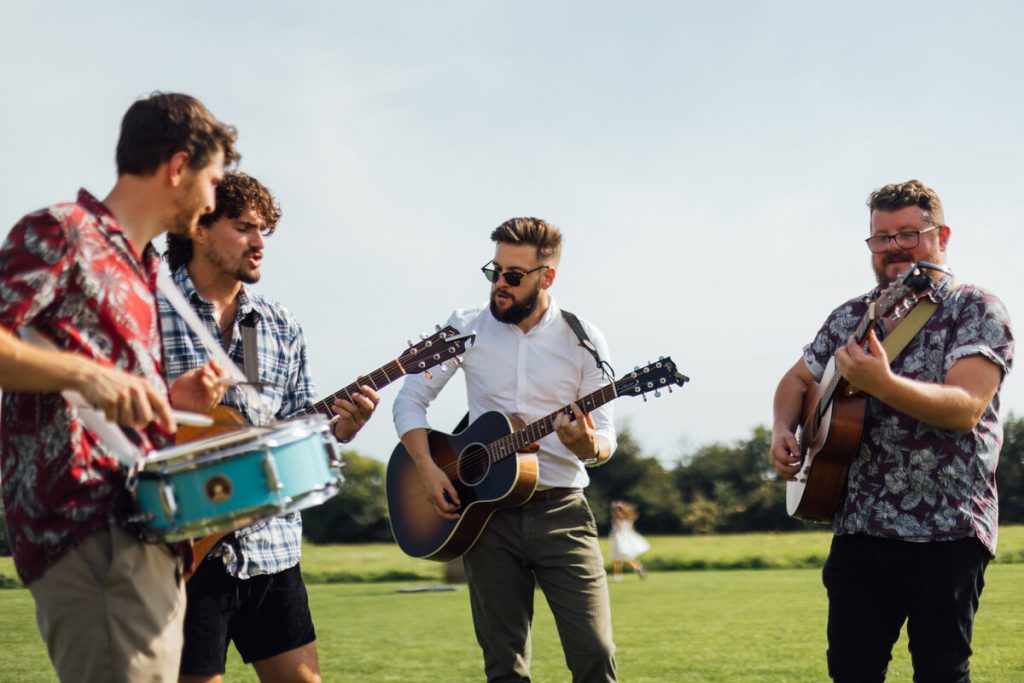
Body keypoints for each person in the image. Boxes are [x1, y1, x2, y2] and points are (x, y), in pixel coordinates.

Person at [0, 92, 237, 682]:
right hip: (89, 526)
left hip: (142, 525)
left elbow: (101, 392)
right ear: (178, 167)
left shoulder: (143, 267)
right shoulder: (62, 232)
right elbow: (75, 372)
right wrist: (89, 374)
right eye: (211, 179)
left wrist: (169, 402)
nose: (211, 200)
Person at [769, 179, 1014, 682]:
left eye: (909, 234)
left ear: (941, 235)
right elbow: (797, 380)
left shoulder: (975, 308)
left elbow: (965, 408)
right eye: (880, 238)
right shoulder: (851, 315)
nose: (893, 248)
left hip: (946, 529)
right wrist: (781, 428)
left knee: (941, 674)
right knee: (851, 672)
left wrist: (880, 383)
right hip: (860, 526)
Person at [159, 171, 379, 683]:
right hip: (181, 554)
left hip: (271, 547)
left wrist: (339, 431)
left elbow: (299, 423)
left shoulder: (281, 325)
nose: (260, 243)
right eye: (244, 228)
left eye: (265, 231)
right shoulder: (149, 313)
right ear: (197, 228)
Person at [393, 217, 618, 682]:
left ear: (546, 277)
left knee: (595, 652)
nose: (500, 284)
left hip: (563, 513)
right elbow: (410, 399)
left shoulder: (584, 337)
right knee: (504, 666)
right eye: (494, 271)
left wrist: (587, 444)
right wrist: (430, 471)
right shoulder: (465, 326)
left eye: (513, 276)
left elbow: (606, 441)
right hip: (486, 519)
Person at [609, 500, 649, 581]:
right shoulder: (629, 518)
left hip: (618, 539)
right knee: (622, 558)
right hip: (624, 539)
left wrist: (615, 515)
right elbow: (631, 530)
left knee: (618, 559)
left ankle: (619, 576)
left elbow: (618, 526)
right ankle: (638, 567)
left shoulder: (618, 519)